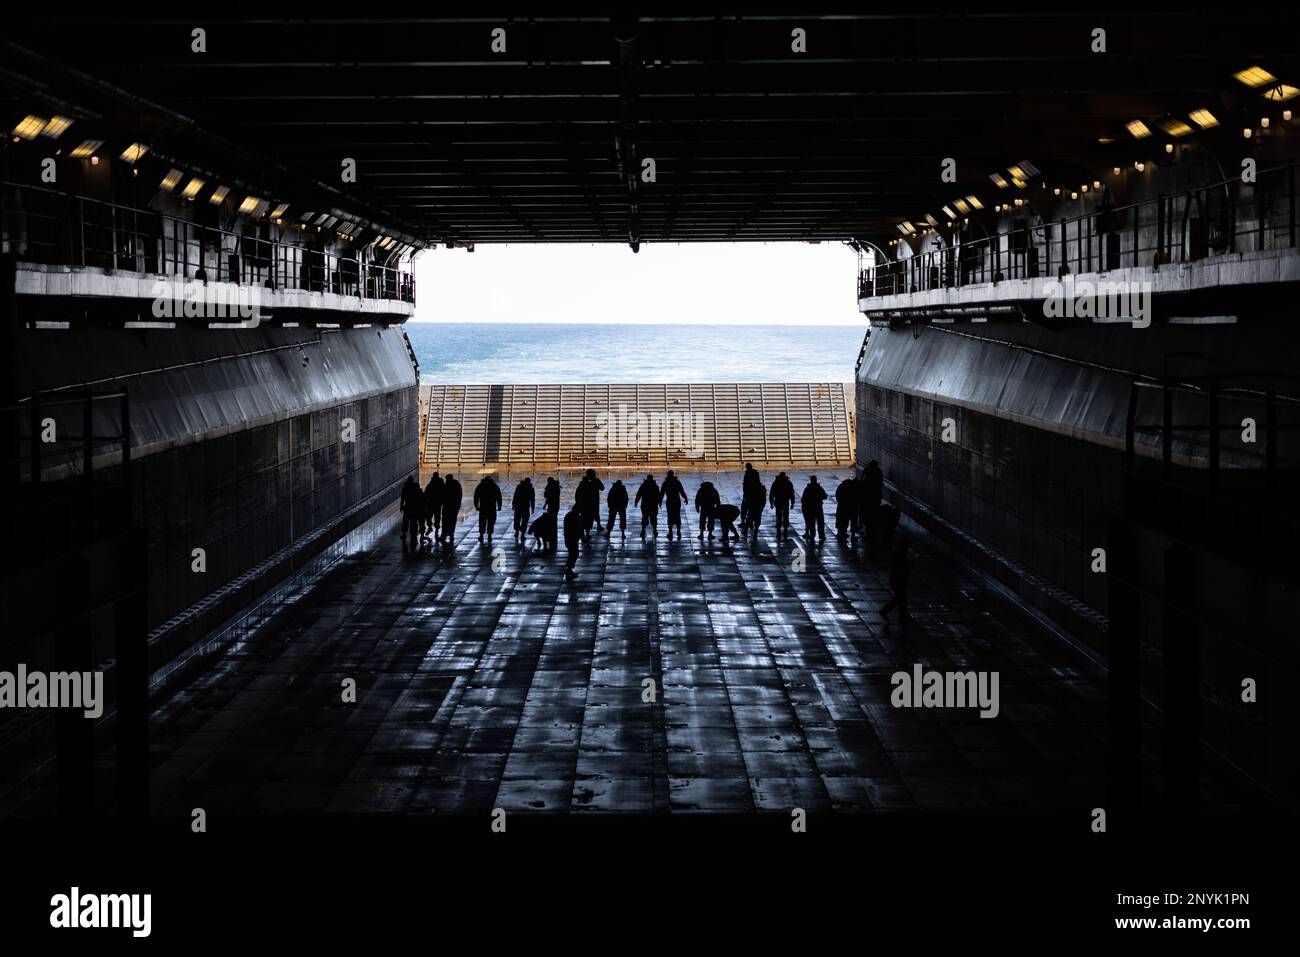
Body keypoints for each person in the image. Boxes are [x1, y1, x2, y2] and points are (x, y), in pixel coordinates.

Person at [880, 534, 911, 621]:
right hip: (898, 577)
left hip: (896, 577)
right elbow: (900, 566)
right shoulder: (900, 553)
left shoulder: (897, 550)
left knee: (900, 597)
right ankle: (887, 611)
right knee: (901, 597)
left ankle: (897, 614)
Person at [576, 468, 604, 540]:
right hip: (593, 501)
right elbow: (602, 488)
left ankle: (586, 532)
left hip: (585, 503)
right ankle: (597, 526)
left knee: (585, 517)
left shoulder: (583, 482)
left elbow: (578, 493)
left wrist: (578, 502)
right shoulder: (596, 481)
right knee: (594, 514)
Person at [473, 474, 503, 543]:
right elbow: (499, 496)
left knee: (482, 522)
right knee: (491, 522)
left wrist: (476, 505)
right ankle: (489, 536)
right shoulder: (494, 486)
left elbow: (476, 496)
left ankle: (481, 535)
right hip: (492, 507)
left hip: (483, 507)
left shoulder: (481, 485)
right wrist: (499, 505)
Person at [859, 460, 883, 543]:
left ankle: (868, 531)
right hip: (875, 497)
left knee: (867, 515)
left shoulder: (868, 473)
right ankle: (873, 531)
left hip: (868, 498)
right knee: (873, 514)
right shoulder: (878, 473)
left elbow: (863, 483)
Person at [661, 470, 688, 540]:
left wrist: (660, 501)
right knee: (677, 516)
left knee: (670, 516)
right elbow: (682, 491)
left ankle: (670, 532)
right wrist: (685, 498)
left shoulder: (665, 483)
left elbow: (662, 493)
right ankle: (678, 531)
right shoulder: (677, 482)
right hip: (676, 501)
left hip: (669, 501)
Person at [634, 473, 661, 539]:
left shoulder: (643, 485)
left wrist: (636, 502)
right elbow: (658, 496)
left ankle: (643, 530)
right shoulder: (655, 486)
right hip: (653, 505)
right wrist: (659, 503)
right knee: (653, 518)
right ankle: (654, 530)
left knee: (644, 518)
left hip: (645, 504)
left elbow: (639, 494)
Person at [801, 475, 827, 543]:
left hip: (810, 508)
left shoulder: (807, 489)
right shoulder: (819, 488)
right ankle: (822, 535)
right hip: (818, 507)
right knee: (820, 522)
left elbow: (803, 499)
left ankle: (812, 535)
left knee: (811, 522)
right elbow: (825, 496)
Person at [835, 474, 860, 545]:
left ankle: (842, 533)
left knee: (842, 520)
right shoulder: (855, 488)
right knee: (853, 521)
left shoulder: (842, 486)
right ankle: (853, 535)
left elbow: (837, 495)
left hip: (842, 506)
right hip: (853, 507)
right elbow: (858, 498)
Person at [770, 471, 795, 537]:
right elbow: (792, 494)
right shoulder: (788, 483)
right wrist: (792, 503)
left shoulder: (776, 483)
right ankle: (785, 530)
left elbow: (772, 493)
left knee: (778, 516)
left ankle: (778, 531)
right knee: (786, 516)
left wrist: (771, 502)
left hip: (778, 501)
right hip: (785, 502)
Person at [399, 476, 423, 547]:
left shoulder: (405, 487)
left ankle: (404, 533)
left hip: (407, 506)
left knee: (405, 520)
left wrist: (401, 506)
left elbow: (402, 498)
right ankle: (414, 532)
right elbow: (419, 495)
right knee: (414, 520)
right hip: (414, 506)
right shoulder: (415, 486)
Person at [563, 506, 584, 579]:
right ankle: (569, 569)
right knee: (574, 554)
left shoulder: (569, 516)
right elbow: (579, 529)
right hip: (572, 538)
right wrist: (582, 538)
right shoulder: (576, 517)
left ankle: (569, 568)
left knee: (572, 554)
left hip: (570, 538)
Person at [511, 477, 535, 543]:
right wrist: (532, 508)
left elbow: (515, 496)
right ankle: (522, 535)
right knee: (525, 521)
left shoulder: (519, 487)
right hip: (526, 507)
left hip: (519, 506)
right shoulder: (530, 489)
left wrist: (513, 504)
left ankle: (516, 532)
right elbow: (532, 499)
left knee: (517, 519)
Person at [440, 473, 463, 544]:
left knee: (445, 521)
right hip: (454, 506)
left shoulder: (446, 486)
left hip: (447, 506)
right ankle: (451, 534)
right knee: (452, 521)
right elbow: (460, 495)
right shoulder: (456, 485)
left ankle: (444, 534)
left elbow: (443, 495)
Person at [740, 463, 762, 534]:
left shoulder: (749, 474)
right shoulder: (754, 474)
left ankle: (745, 523)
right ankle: (750, 525)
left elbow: (747, 485)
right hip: (752, 496)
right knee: (750, 511)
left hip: (749, 495)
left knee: (745, 509)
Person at [423, 471, 445, 543]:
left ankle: (430, 527)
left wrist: (425, 502)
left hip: (431, 503)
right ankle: (436, 529)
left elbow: (426, 493)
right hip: (438, 503)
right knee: (437, 516)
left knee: (429, 516)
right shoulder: (441, 483)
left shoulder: (431, 483)